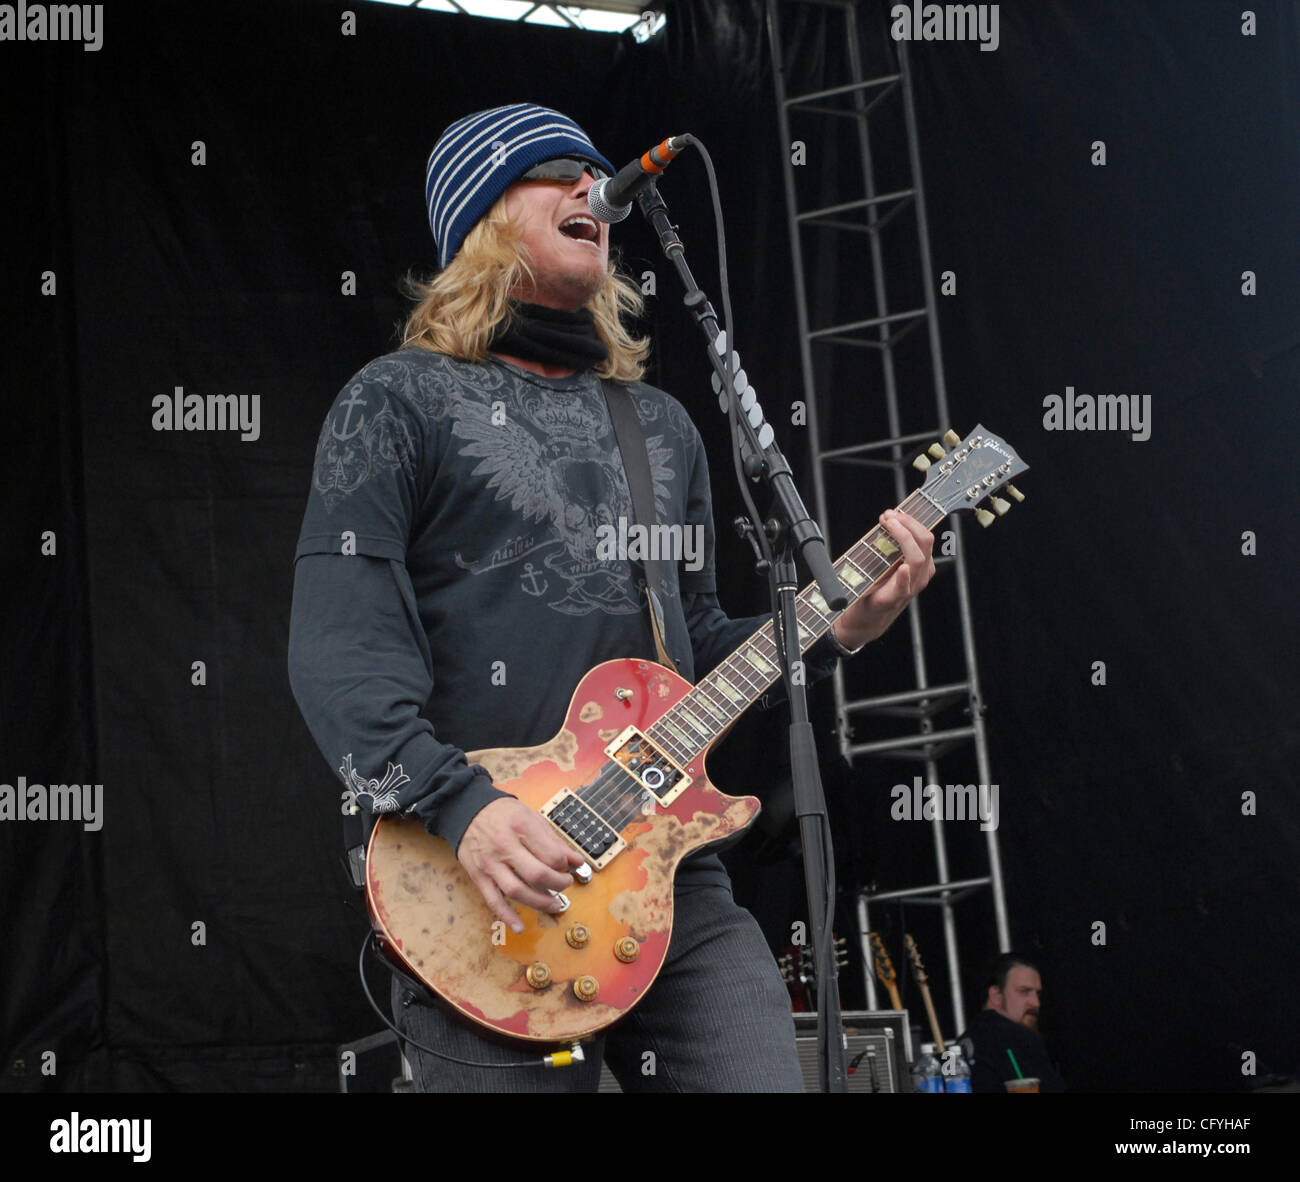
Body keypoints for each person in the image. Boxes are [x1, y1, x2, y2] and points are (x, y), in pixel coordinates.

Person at [288, 102, 936, 1092]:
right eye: (554, 174)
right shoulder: (396, 400)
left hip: (669, 875)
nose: (590, 188)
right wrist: (461, 806)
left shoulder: (658, 427)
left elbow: (694, 650)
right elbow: (339, 645)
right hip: (486, 876)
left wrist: (839, 624)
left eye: (596, 174)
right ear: (481, 219)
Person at [960, 953, 1066, 1092]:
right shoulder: (1016, 1037)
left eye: (1037, 994)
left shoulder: (962, 1042)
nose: (1036, 1003)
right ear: (996, 996)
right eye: (1024, 991)